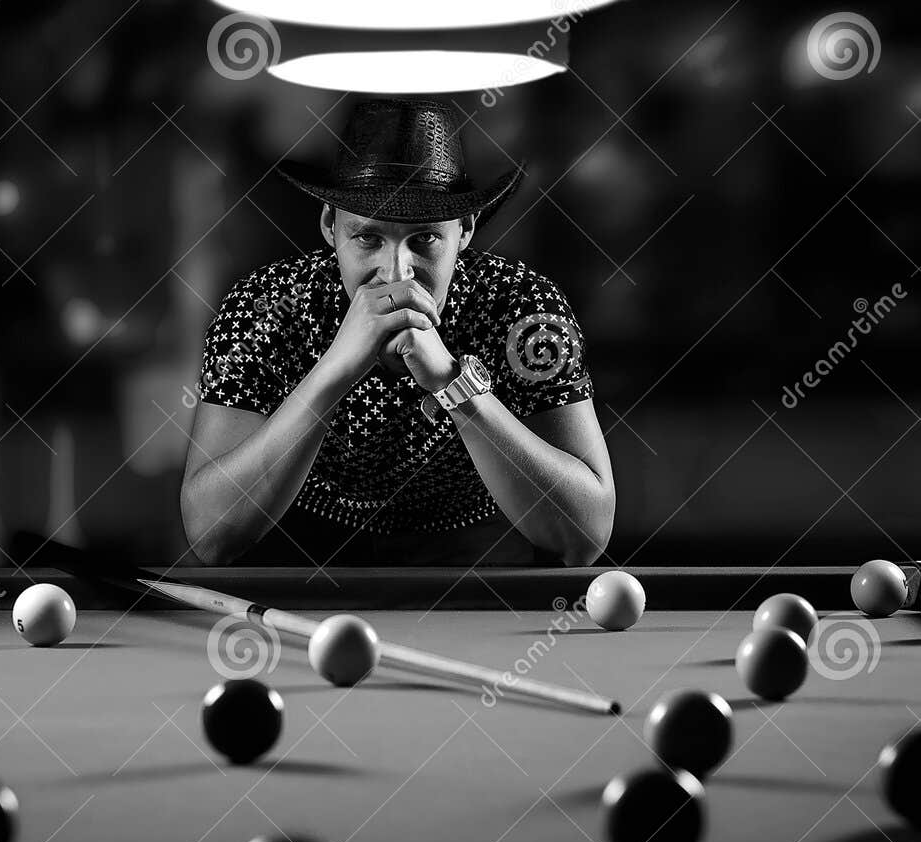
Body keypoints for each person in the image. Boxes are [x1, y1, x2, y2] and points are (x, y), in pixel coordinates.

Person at [182, 98, 614, 566]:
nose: (397, 273)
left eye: (424, 238)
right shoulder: (266, 306)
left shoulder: (521, 307)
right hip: (299, 588)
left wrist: (456, 385)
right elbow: (211, 537)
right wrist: (334, 371)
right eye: (368, 238)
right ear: (330, 225)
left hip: (485, 588)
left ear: (465, 228)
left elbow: (585, 536)